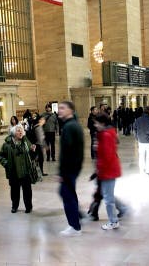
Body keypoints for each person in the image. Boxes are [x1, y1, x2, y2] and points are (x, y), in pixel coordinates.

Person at [0, 124, 39, 213]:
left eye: (21, 130)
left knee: (27, 191)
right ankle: (14, 206)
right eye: (18, 130)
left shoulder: (25, 141)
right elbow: (0, 156)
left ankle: (28, 207)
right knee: (14, 191)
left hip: (26, 171)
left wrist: (33, 150)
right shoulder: (7, 145)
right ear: (13, 133)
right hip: (13, 172)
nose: (21, 132)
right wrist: (7, 164)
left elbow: (33, 156)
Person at [57, 100, 84, 236]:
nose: (59, 110)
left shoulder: (69, 127)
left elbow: (67, 151)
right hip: (73, 168)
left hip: (69, 169)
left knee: (67, 195)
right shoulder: (74, 124)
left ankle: (75, 226)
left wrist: (62, 172)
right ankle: (78, 218)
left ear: (70, 110)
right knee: (69, 194)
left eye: (62, 108)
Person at [94, 113, 123, 229]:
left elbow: (107, 156)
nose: (95, 125)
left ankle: (113, 221)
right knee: (108, 196)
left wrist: (99, 170)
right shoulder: (107, 133)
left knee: (108, 198)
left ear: (102, 123)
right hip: (109, 169)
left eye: (96, 123)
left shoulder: (106, 135)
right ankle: (117, 216)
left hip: (108, 170)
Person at [133, 108, 149, 176]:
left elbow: (134, 129)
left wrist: (137, 137)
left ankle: (142, 170)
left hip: (141, 140)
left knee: (141, 156)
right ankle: (148, 170)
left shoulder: (138, 119)